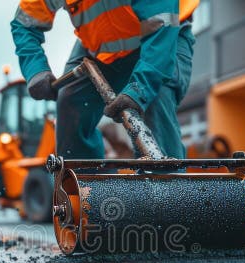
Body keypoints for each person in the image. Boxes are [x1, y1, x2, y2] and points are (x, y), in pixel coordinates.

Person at [11, 0, 198, 160]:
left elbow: (161, 28)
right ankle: (88, 191)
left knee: (155, 101)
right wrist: (36, 70)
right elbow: (24, 23)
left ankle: (166, 192)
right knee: (70, 103)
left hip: (165, 33)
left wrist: (139, 90)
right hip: (102, 47)